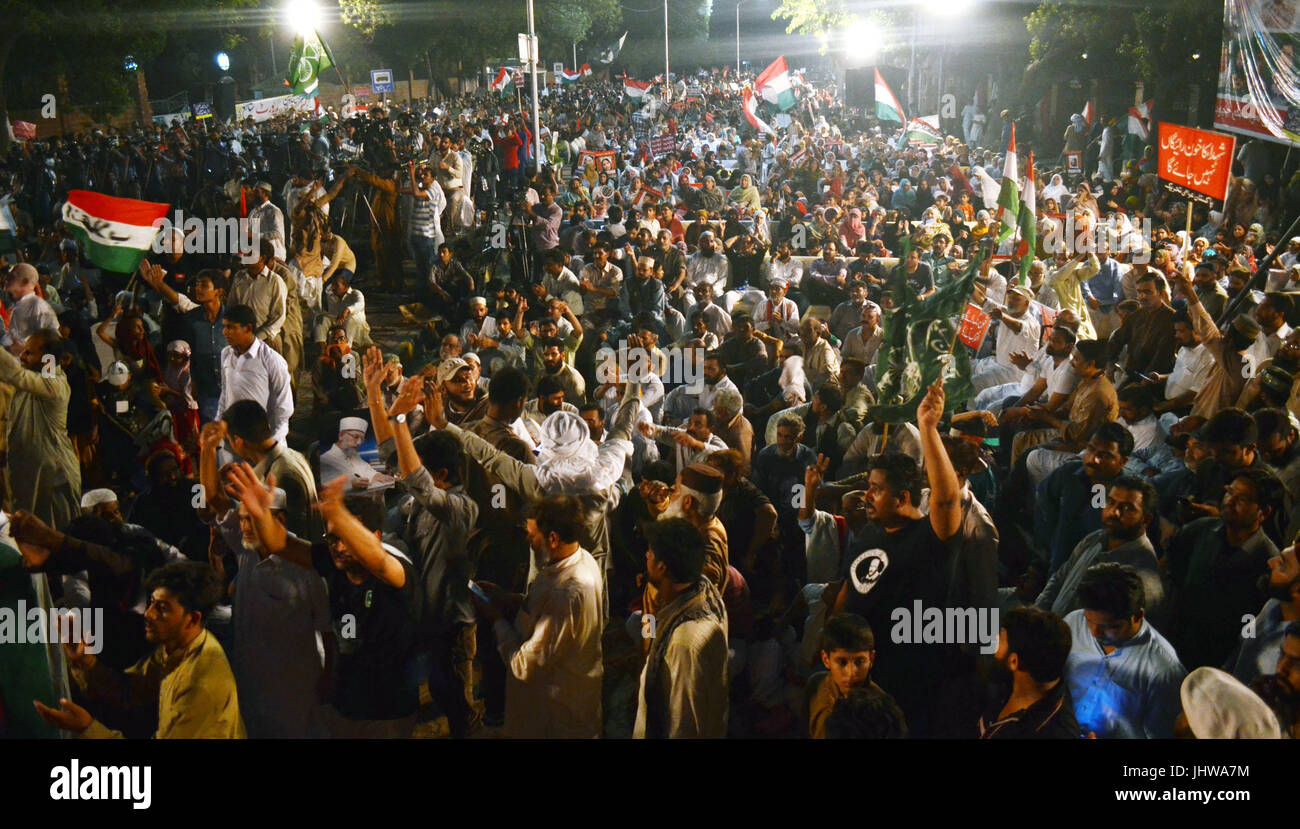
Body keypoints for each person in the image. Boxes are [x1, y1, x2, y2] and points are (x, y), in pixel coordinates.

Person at [833, 382, 965, 736]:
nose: (867, 495)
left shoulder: (930, 540)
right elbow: (850, 589)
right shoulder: (871, 533)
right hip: (855, 675)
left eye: (876, 489)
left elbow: (947, 501)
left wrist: (927, 428)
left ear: (903, 496)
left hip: (907, 682)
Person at [34, 561, 246, 739]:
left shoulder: (201, 683)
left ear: (193, 618)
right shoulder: (174, 648)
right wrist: (85, 660)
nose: (149, 613)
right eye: (152, 602)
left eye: (162, 608)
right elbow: (129, 691)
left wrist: (87, 727)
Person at [473, 495, 605, 738]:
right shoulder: (583, 559)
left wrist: (496, 619)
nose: (528, 541)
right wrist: (510, 598)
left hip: (555, 715)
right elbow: (541, 607)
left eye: (532, 535)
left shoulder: (565, 595)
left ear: (553, 538)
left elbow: (524, 666)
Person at [1167, 467, 1282, 670]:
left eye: (1243, 499)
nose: (1229, 500)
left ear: (1263, 512)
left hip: (1217, 662)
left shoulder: (1268, 563)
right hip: (1175, 645)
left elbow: (1252, 631)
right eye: (1230, 492)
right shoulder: (1201, 530)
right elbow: (1175, 569)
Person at [1063, 563, 1186, 739]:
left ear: (1137, 616)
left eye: (1109, 626)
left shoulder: (1163, 671)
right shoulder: (1073, 623)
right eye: (1089, 620)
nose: (1094, 632)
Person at [633, 517, 729, 738]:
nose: (646, 555)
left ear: (662, 566)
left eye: (651, 552)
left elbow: (684, 721)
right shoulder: (704, 592)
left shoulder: (684, 643)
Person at [1036, 476, 1165, 623]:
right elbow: (1059, 578)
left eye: (1127, 508)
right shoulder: (1095, 538)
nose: (1114, 512)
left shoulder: (1143, 576)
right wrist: (1039, 614)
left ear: (1146, 519)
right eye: (1111, 502)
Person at [0, 329, 81, 529]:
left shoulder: (55, 386)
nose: (22, 356)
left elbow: (16, 375)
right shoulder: (38, 380)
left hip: (54, 479)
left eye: (29, 353)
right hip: (28, 477)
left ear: (47, 360)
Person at [979, 606, 1081, 738]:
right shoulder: (1004, 680)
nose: (995, 641)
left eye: (1001, 639)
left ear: (1014, 661)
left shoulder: (1055, 732)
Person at [806, 613, 894, 738]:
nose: (851, 673)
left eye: (859, 662)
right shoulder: (815, 684)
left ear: (871, 659)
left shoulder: (884, 710)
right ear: (826, 659)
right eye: (842, 662)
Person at [216, 304, 293, 445]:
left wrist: (271, 443)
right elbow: (225, 395)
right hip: (234, 441)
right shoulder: (226, 354)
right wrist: (218, 426)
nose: (225, 332)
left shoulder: (272, 360)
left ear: (248, 328)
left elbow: (283, 410)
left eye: (231, 327)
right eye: (224, 327)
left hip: (262, 442)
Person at [320, 416, 393, 491]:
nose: (359, 443)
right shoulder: (325, 459)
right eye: (355, 437)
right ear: (341, 435)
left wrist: (377, 476)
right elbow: (324, 487)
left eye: (362, 439)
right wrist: (351, 484)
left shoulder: (353, 456)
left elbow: (367, 471)